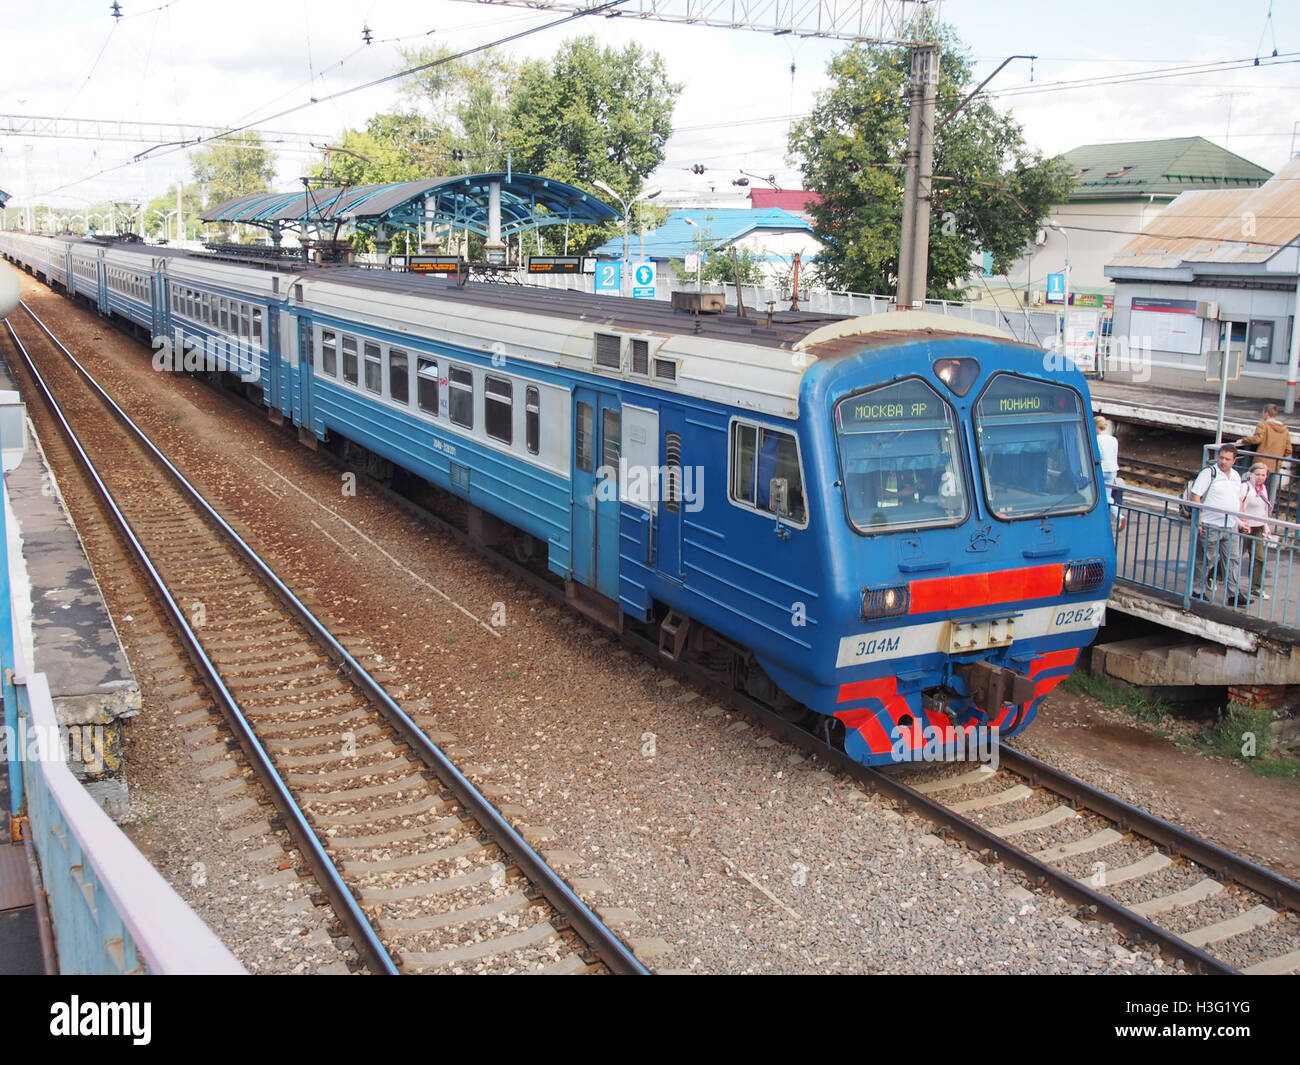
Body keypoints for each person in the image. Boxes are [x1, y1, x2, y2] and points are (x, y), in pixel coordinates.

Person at [1190, 444, 1251, 606]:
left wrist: (1240, 521)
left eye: (1227, 459)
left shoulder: (1236, 477)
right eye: (1221, 457)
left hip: (1230, 525)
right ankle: (1197, 590)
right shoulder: (1209, 473)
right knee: (1205, 559)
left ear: (1234, 461)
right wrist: (1199, 519)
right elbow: (1196, 495)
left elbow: (1237, 500)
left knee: (1232, 560)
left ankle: (1234, 594)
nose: (1223, 461)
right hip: (1210, 524)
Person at [1236, 403, 1291, 515]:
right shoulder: (1285, 430)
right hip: (1275, 465)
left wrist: (1244, 440)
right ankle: (1267, 516)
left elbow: (1257, 439)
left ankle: (1247, 512)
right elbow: (1289, 449)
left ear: (1266, 413)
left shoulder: (1263, 425)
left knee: (1253, 488)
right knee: (1270, 493)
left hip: (1260, 464)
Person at [1238, 462, 1273, 600]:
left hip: (1258, 527)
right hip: (1245, 527)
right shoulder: (1245, 487)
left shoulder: (1263, 489)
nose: (1260, 477)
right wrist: (1242, 523)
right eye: (1257, 474)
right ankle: (1215, 575)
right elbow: (1238, 506)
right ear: (1251, 474)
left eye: (1263, 475)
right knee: (1235, 555)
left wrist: (1266, 526)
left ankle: (1256, 587)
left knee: (1259, 558)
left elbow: (1264, 509)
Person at [1094, 415, 1125, 532]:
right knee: (1107, 496)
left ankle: (1099, 520)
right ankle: (1118, 516)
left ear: (1096, 426)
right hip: (1112, 470)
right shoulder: (1113, 439)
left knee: (1093, 495)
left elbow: (1097, 456)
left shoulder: (1096, 439)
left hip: (1101, 469)